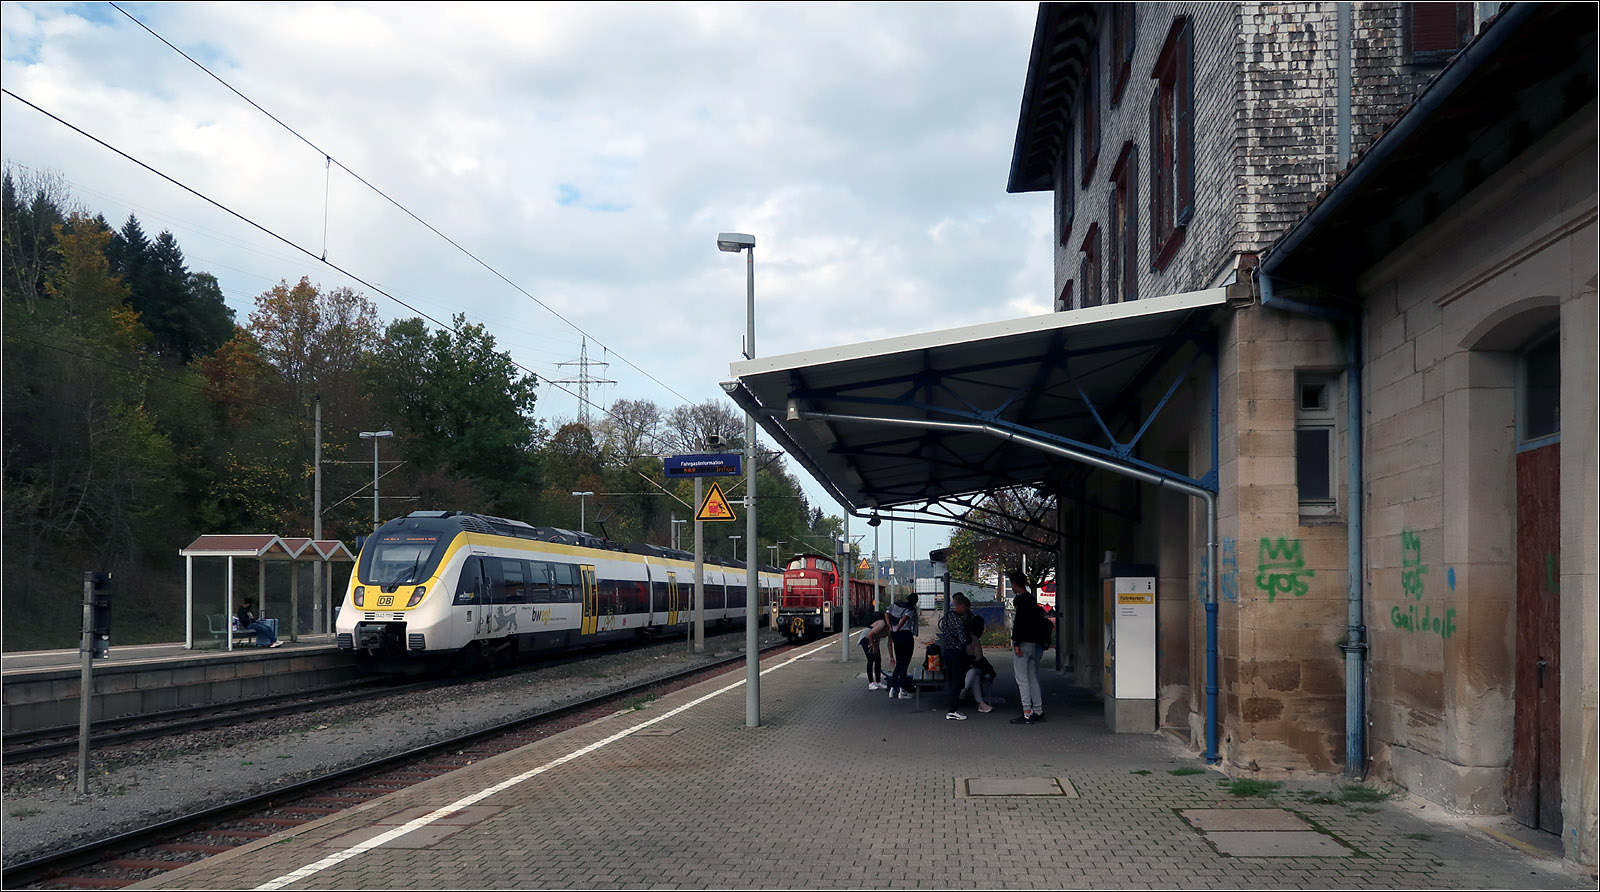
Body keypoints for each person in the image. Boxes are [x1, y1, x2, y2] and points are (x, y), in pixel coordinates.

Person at [1008, 570, 1051, 724]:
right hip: (1034, 644)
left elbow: (1020, 624)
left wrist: (1017, 643)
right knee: (1033, 678)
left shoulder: (1021, 602)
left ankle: (1027, 712)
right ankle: (1038, 710)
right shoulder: (1033, 600)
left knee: (1022, 678)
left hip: (1023, 644)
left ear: (1014, 584)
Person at [937, 593, 975, 720]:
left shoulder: (946, 617)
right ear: (962, 606)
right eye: (966, 608)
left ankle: (952, 707)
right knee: (958, 682)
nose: (966, 611)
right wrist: (968, 638)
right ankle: (953, 710)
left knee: (951, 681)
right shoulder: (958, 620)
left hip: (948, 652)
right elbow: (963, 639)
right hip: (957, 653)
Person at [883, 596, 918, 700]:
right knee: (905, 663)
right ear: (915, 601)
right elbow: (904, 619)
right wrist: (898, 629)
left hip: (895, 635)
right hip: (905, 635)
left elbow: (886, 613)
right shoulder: (910, 608)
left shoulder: (896, 605)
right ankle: (902, 691)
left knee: (899, 663)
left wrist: (890, 626)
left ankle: (892, 689)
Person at [960, 613, 996, 713]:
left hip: (964, 668)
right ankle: (980, 703)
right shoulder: (975, 639)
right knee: (975, 673)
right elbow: (979, 657)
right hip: (972, 668)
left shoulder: (962, 637)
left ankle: (965, 689)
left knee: (974, 671)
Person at [859, 613, 888, 690]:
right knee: (871, 659)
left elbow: (878, 637)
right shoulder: (882, 623)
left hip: (873, 640)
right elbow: (870, 635)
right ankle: (871, 683)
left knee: (878, 659)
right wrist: (874, 646)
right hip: (865, 638)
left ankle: (878, 682)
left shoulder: (887, 627)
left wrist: (876, 647)